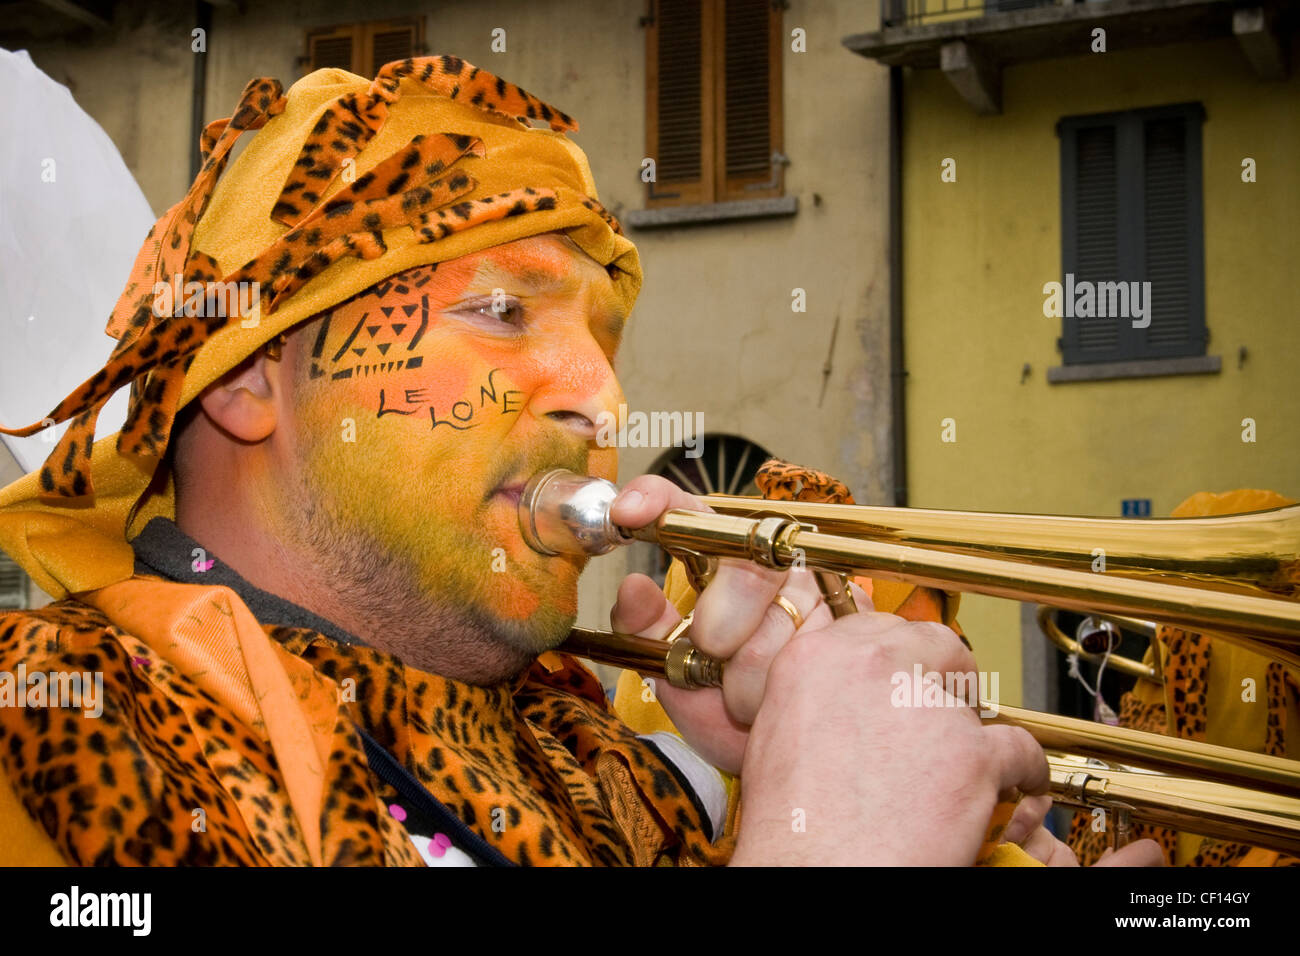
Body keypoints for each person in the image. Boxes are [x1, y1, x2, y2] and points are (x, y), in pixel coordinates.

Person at [0, 56, 1158, 866]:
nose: (602, 396)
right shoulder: (61, 716)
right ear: (254, 379)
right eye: (504, 311)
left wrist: (745, 776)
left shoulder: (572, 743)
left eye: (602, 338)